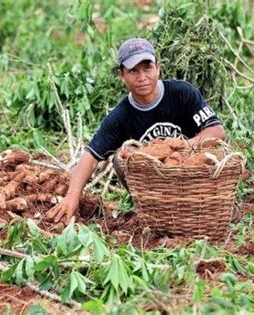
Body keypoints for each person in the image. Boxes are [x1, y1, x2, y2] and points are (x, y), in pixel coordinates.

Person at [45, 37, 225, 224]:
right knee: (121, 157)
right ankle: (153, 211)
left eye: (147, 68)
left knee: (210, 151)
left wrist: (184, 145)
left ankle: (210, 204)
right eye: (133, 71)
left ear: (158, 67)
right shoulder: (121, 116)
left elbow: (217, 130)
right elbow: (90, 157)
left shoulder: (182, 93)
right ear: (121, 75)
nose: (142, 77)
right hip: (156, 187)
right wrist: (72, 197)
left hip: (195, 179)